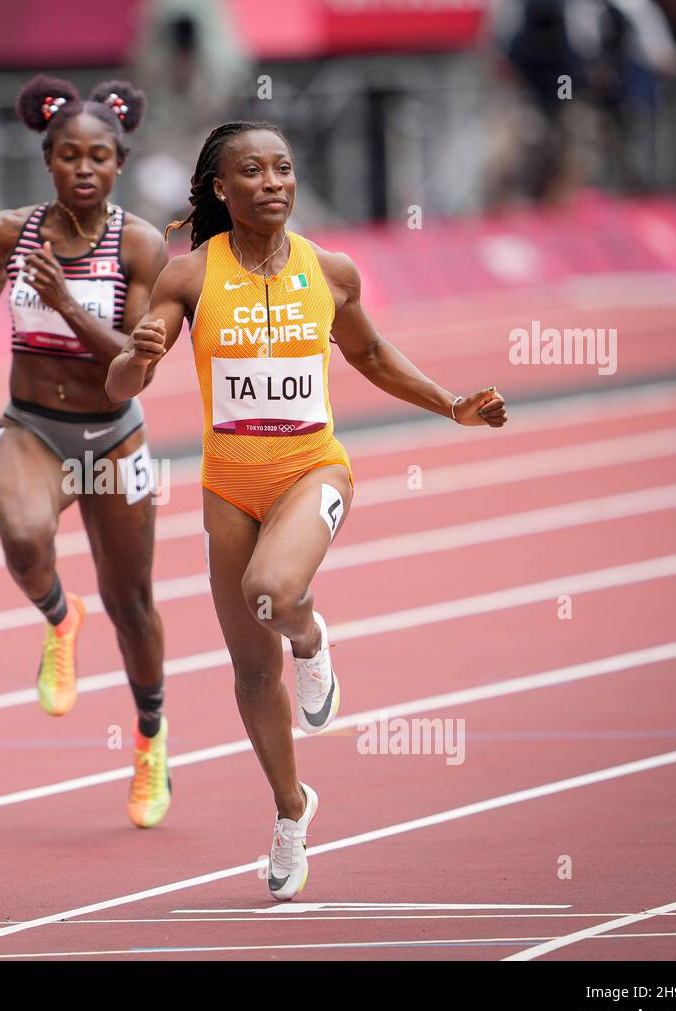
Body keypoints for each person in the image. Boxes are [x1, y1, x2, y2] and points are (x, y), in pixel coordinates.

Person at [107, 121, 507, 896]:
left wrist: (451, 404)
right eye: (251, 172)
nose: (272, 183)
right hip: (228, 485)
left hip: (312, 468)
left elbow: (370, 356)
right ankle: (292, 812)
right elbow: (126, 384)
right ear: (221, 190)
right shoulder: (188, 276)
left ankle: (311, 633)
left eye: (283, 168)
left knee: (274, 595)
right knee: (253, 673)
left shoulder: (330, 269)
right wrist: (135, 357)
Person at [0, 75, 175, 828]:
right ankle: (59, 617)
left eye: (100, 158)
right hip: (33, 427)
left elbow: (136, 361)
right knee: (24, 542)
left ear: (119, 165)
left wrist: (62, 304)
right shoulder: (8, 234)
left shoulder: (143, 244)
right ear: (47, 159)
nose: (84, 170)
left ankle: (150, 743)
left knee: (133, 605)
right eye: (69, 157)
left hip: (114, 437)